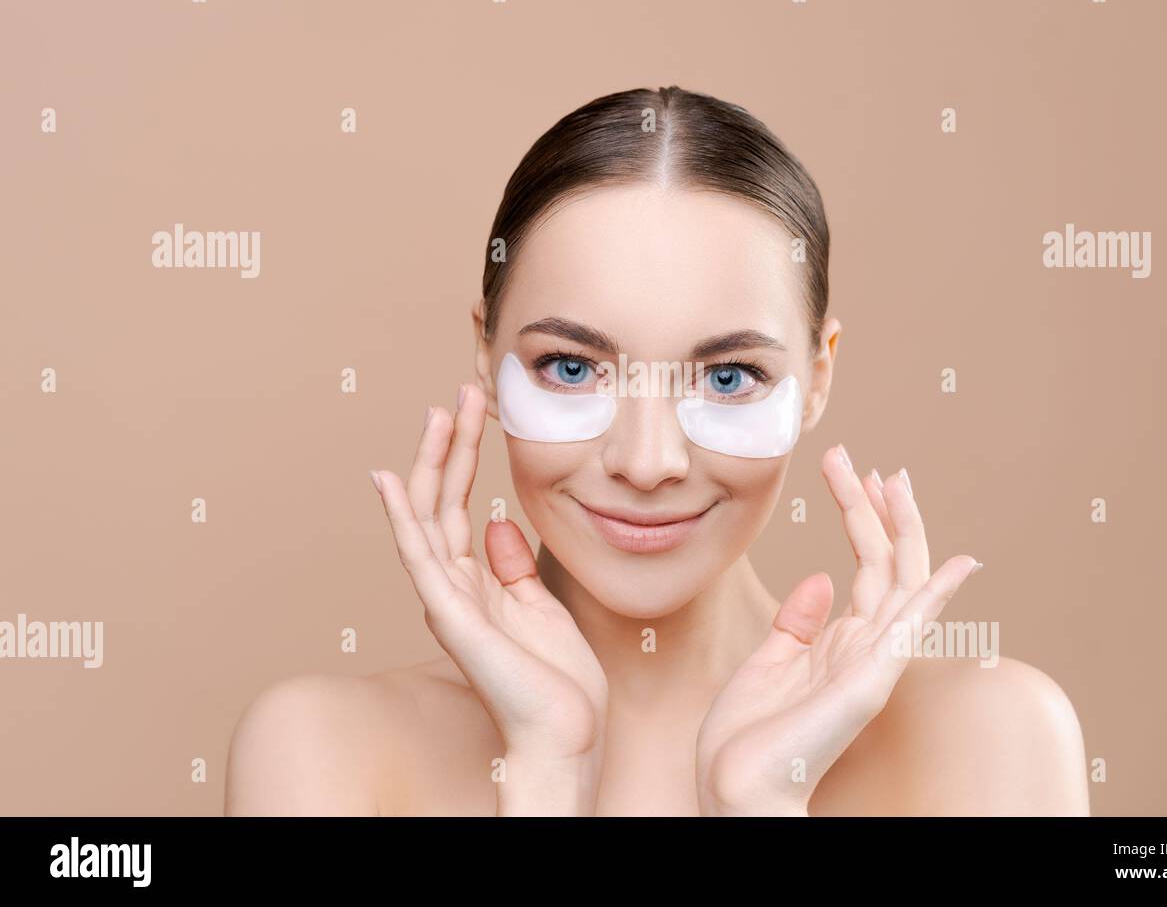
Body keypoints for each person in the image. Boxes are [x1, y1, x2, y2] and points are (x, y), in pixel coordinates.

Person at [224, 86, 1089, 816]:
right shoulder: (321, 755)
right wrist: (547, 777)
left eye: (727, 377)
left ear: (818, 378)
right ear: (486, 355)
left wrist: (762, 803)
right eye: (571, 366)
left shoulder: (993, 742)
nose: (646, 462)